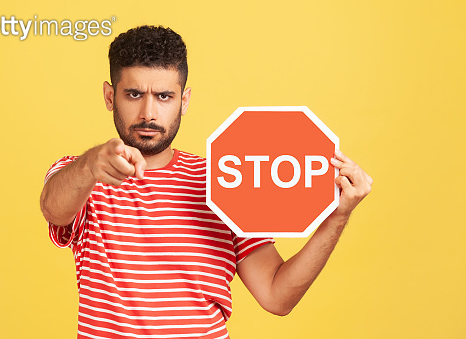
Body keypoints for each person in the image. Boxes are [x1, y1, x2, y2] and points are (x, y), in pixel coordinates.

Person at [40, 25, 372, 339]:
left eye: (165, 96)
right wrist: (88, 167)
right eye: (134, 93)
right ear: (110, 97)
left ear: (184, 101)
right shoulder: (83, 175)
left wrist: (337, 216)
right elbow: (54, 209)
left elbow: (276, 295)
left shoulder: (226, 180)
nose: (148, 113)